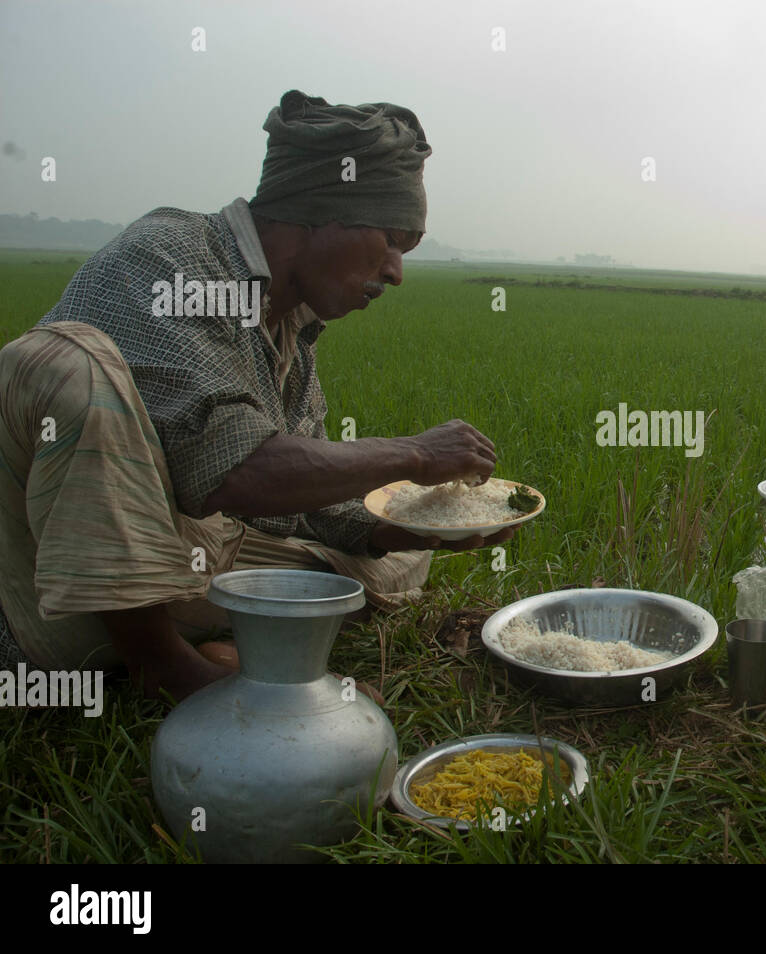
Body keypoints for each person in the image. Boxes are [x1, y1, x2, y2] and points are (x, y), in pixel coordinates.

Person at [0, 90, 511, 701]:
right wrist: (416, 456)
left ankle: (225, 641)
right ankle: (170, 671)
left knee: (397, 561)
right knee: (64, 363)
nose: (397, 272)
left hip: (191, 557)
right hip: (53, 586)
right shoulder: (167, 260)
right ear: (321, 212)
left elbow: (303, 501)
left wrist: (422, 525)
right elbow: (236, 472)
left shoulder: (288, 321)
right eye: (393, 240)